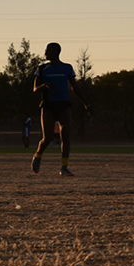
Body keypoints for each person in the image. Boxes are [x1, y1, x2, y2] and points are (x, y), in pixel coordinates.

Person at [31, 42, 89, 176]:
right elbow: (35, 89)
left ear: (56, 52)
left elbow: (75, 87)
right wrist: (45, 86)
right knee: (48, 138)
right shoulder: (42, 68)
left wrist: (87, 104)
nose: (45, 53)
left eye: (47, 51)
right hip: (48, 105)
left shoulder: (67, 68)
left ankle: (64, 167)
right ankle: (38, 156)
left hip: (64, 105)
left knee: (66, 136)